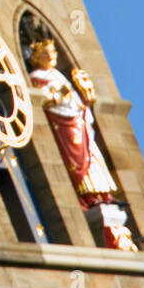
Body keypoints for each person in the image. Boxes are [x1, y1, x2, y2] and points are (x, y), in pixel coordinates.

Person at [28, 40, 117, 208]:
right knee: (77, 160)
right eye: (46, 53)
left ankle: (104, 194)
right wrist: (61, 94)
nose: (51, 55)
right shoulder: (38, 77)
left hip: (78, 118)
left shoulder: (57, 74)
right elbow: (46, 100)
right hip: (64, 121)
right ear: (37, 57)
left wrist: (84, 99)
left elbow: (72, 97)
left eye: (52, 51)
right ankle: (88, 196)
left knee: (93, 155)